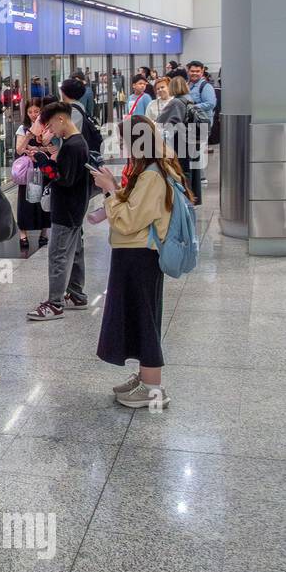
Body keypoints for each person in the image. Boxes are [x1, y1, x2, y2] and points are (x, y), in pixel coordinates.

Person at [88, 117, 187, 409]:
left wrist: (108, 190)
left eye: (125, 140)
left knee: (144, 317)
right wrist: (116, 188)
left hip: (140, 255)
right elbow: (135, 207)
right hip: (134, 254)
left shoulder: (153, 175)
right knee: (136, 314)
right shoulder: (150, 171)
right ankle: (146, 376)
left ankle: (154, 387)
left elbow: (130, 220)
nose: (122, 145)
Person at [27, 101, 91, 321]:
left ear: (62, 119)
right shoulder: (74, 142)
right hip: (75, 207)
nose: (50, 131)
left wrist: (43, 161)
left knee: (58, 255)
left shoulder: (73, 146)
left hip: (66, 209)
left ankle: (55, 303)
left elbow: (62, 178)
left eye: (51, 126)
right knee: (75, 252)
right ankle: (76, 294)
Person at [15, 101, 52, 250]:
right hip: (29, 168)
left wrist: (38, 149)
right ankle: (22, 234)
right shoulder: (23, 129)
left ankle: (44, 232)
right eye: (30, 112)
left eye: (36, 111)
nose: (33, 115)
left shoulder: (47, 126)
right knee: (26, 201)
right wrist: (29, 138)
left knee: (43, 198)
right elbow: (19, 149)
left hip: (43, 166)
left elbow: (51, 147)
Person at [162, 75, 202, 205]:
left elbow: (164, 119)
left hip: (181, 140)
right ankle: (194, 198)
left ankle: (186, 199)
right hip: (192, 139)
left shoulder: (175, 102)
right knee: (193, 170)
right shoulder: (189, 100)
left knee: (182, 170)